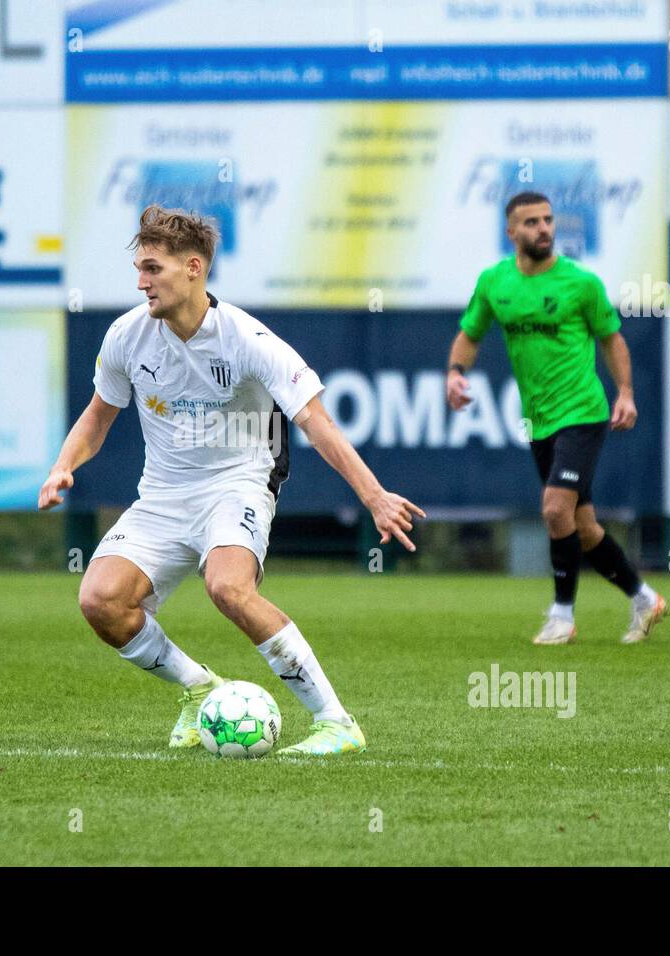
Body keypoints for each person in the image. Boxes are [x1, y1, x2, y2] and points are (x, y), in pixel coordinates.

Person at [39, 205, 424, 756]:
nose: (141, 281)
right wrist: (64, 464)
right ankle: (199, 689)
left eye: (153, 268)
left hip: (240, 482)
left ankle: (337, 723)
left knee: (227, 587)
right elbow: (99, 414)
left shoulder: (248, 339)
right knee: (100, 600)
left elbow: (317, 422)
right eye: (139, 269)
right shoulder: (127, 336)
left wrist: (374, 496)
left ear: (193, 268)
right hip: (164, 494)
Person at [446, 191, 668, 645]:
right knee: (581, 527)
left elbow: (613, 339)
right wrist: (455, 374)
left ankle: (562, 615)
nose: (544, 229)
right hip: (540, 420)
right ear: (511, 232)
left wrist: (625, 393)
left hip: (583, 411)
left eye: (548, 220)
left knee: (553, 509)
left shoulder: (580, 283)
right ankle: (644, 598)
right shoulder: (494, 282)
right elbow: (470, 334)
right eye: (531, 222)